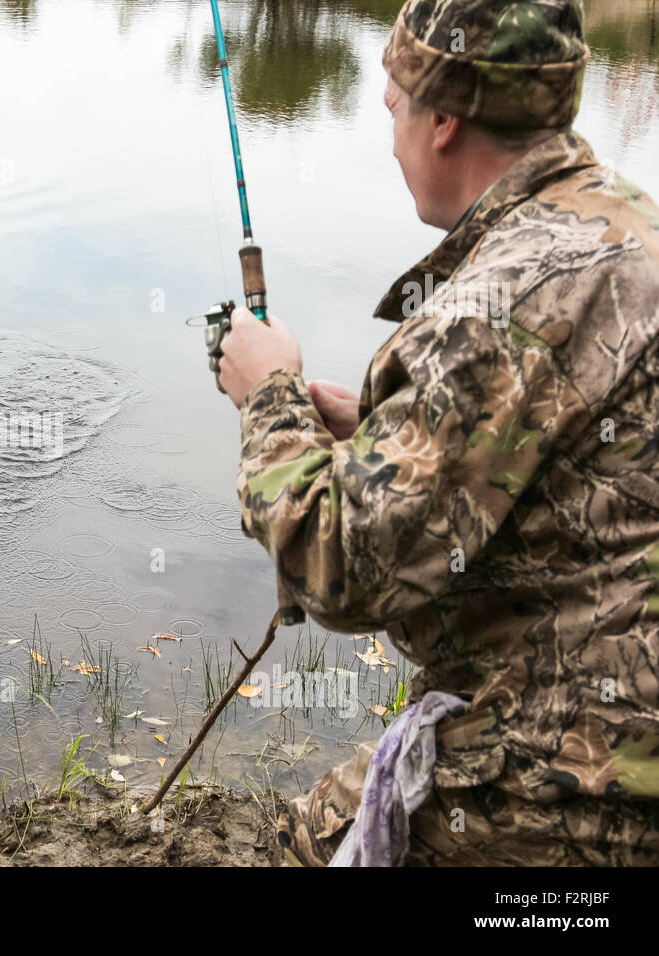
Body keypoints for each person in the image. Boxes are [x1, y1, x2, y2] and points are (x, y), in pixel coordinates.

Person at [215, 0, 659, 865]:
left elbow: (338, 568)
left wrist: (266, 395)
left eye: (392, 104)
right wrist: (380, 432)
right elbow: (561, 461)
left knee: (308, 844)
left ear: (445, 118)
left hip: (588, 779)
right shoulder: (625, 227)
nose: (389, 132)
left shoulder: (499, 306)